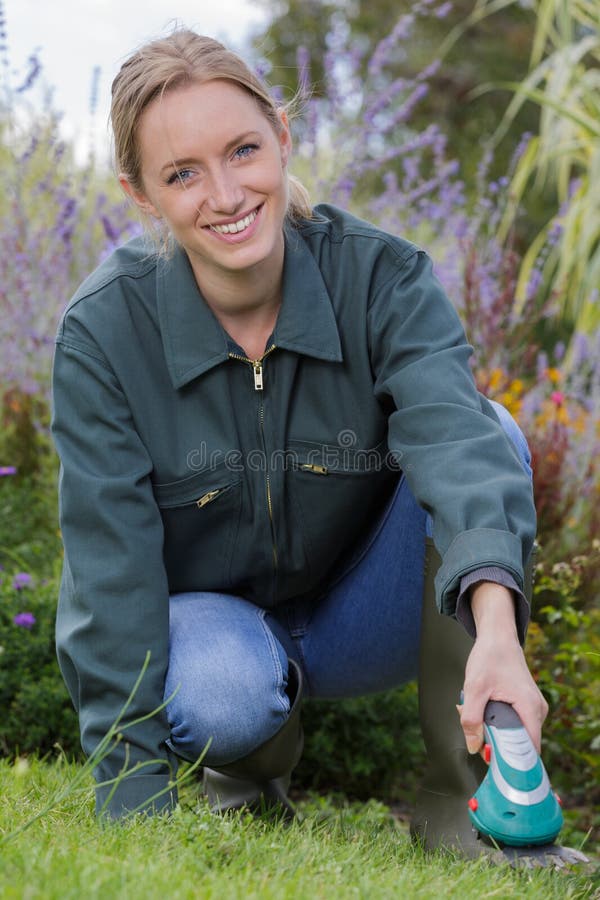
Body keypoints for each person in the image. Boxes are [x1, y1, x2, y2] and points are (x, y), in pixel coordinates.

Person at [51, 29, 546, 853]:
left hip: (366, 611)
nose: (226, 195)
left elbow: (460, 445)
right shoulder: (104, 335)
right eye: (182, 174)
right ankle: (248, 772)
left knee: (494, 429)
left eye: (243, 150)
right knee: (219, 689)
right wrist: (133, 805)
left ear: (282, 135)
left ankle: (459, 806)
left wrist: (497, 630)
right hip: (221, 641)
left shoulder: (383, 279)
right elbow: (109, 571)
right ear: (141, 195)